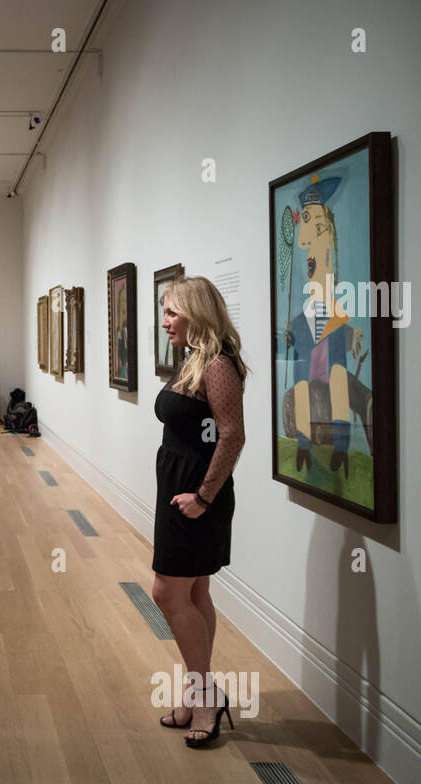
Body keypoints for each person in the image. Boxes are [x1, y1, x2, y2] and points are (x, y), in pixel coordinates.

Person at [150, 276, 247, 748]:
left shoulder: (218, 366)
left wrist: (203, 497)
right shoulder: (194, 360)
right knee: (195, 593)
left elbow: (232, 437)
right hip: (179, 492)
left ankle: (205, 697)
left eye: (171, 312)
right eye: (164, 311)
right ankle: (195, 693)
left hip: (197, 498)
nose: (164, 320)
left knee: (167, 594)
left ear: (196, 313)